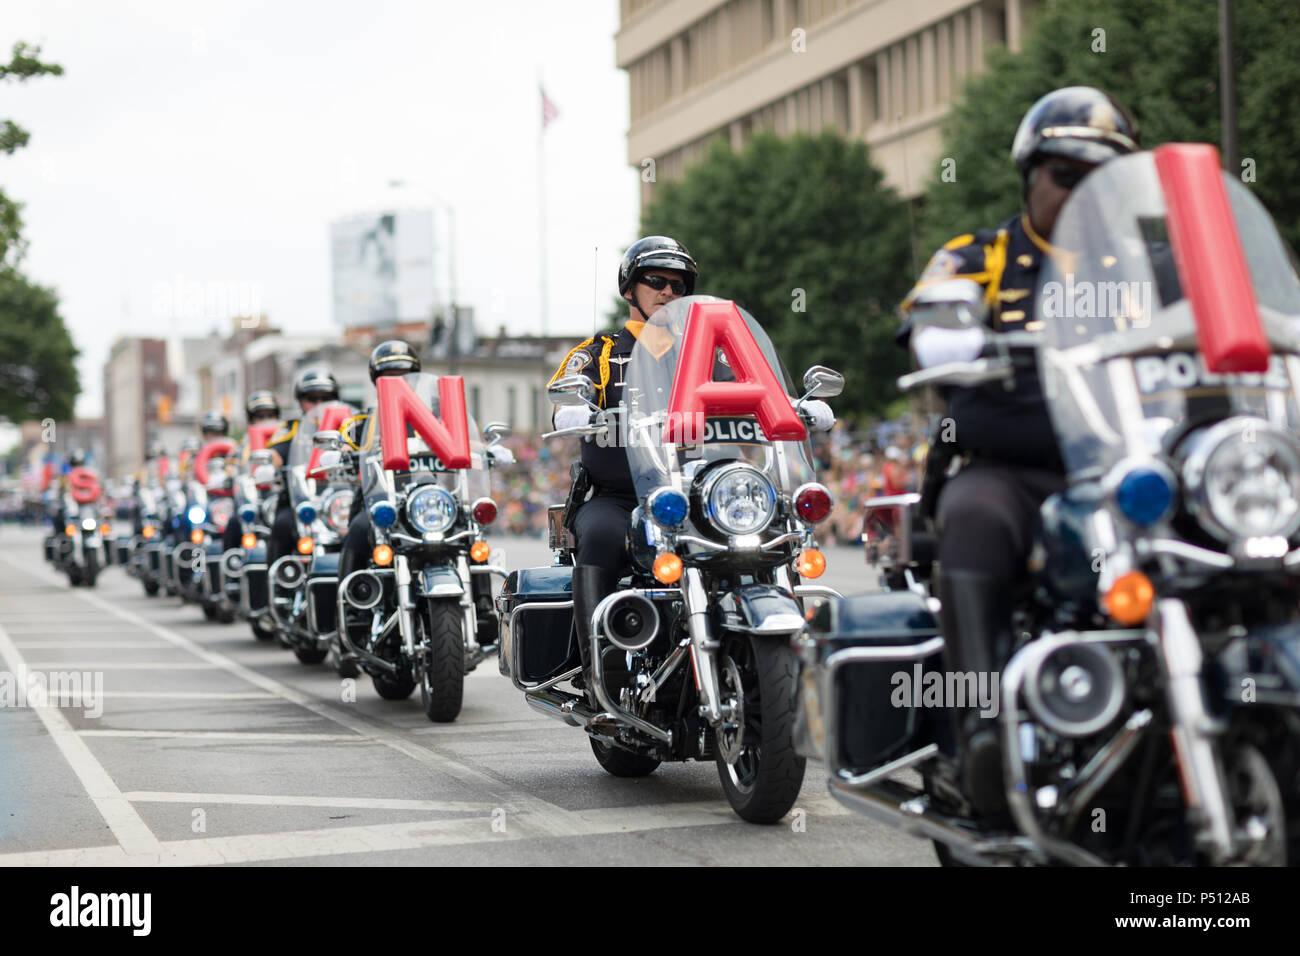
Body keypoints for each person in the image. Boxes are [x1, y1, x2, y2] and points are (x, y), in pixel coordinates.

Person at [897, 86, 1139, 815]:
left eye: (1103, 178)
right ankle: (982, 732)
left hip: (1126, 470)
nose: (1083, 191)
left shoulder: (1149, 261)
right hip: (1012, 472)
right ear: (1030, 175)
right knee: (973, 516)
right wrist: (953, 334)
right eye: (1067, 174)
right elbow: (929, 327)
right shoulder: (982, 254)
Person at [549, 235, 835, 696]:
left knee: (772, 538)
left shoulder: (710, 352)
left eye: (677, 285)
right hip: (625, 497)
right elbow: (566, 388)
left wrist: (797, 406)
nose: (667, 292)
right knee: (601, 536)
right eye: (655, 281)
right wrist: (572, 408)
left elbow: (755, 388)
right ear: (630, 289)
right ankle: (599, 667)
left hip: (705, 492)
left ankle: (784, 655)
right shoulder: (601, 350)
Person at [265, 367, 341, 566]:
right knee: (282, 524)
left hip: (341, 503)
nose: (318, 404)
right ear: (301, 401)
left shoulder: (348, 425)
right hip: (303, 503)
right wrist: (269, 466)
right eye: (311, 399)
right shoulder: (291, 429)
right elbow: (274, 455)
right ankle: (280, 587)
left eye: (325, 398)